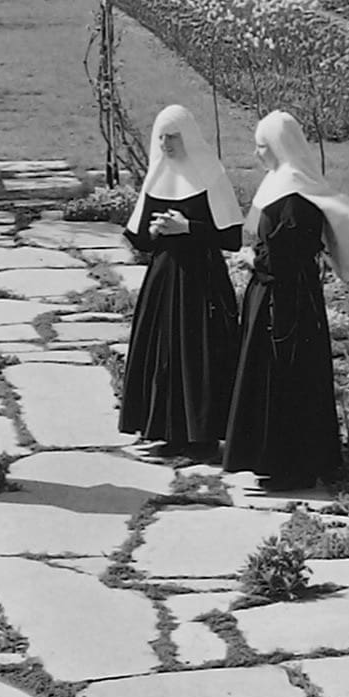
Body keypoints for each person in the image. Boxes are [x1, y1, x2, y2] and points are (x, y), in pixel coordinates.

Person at [217, 110, 349, 496]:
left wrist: (253, 259)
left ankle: (289, 465)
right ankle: (274, 461)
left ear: (279, 148)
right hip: (277, 299)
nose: (257, 154)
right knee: (273, 380)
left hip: (285, 305)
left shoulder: (292, 197)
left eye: (262, 146)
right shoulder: (282, 186)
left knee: (283, 380)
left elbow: (282, 258)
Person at [119, 104, 247, 457]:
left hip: (200, 279)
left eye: (173, 136)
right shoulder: (158, 176)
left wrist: (187, 228)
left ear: (188, 137)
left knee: (198, 354)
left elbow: (231, 238)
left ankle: (202, 435)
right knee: (162, 352)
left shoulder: (210, 176)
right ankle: (163, 429)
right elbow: (141, 239)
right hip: (163, 278)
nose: (166, 144)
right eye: (161, 137)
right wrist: (154, 231)